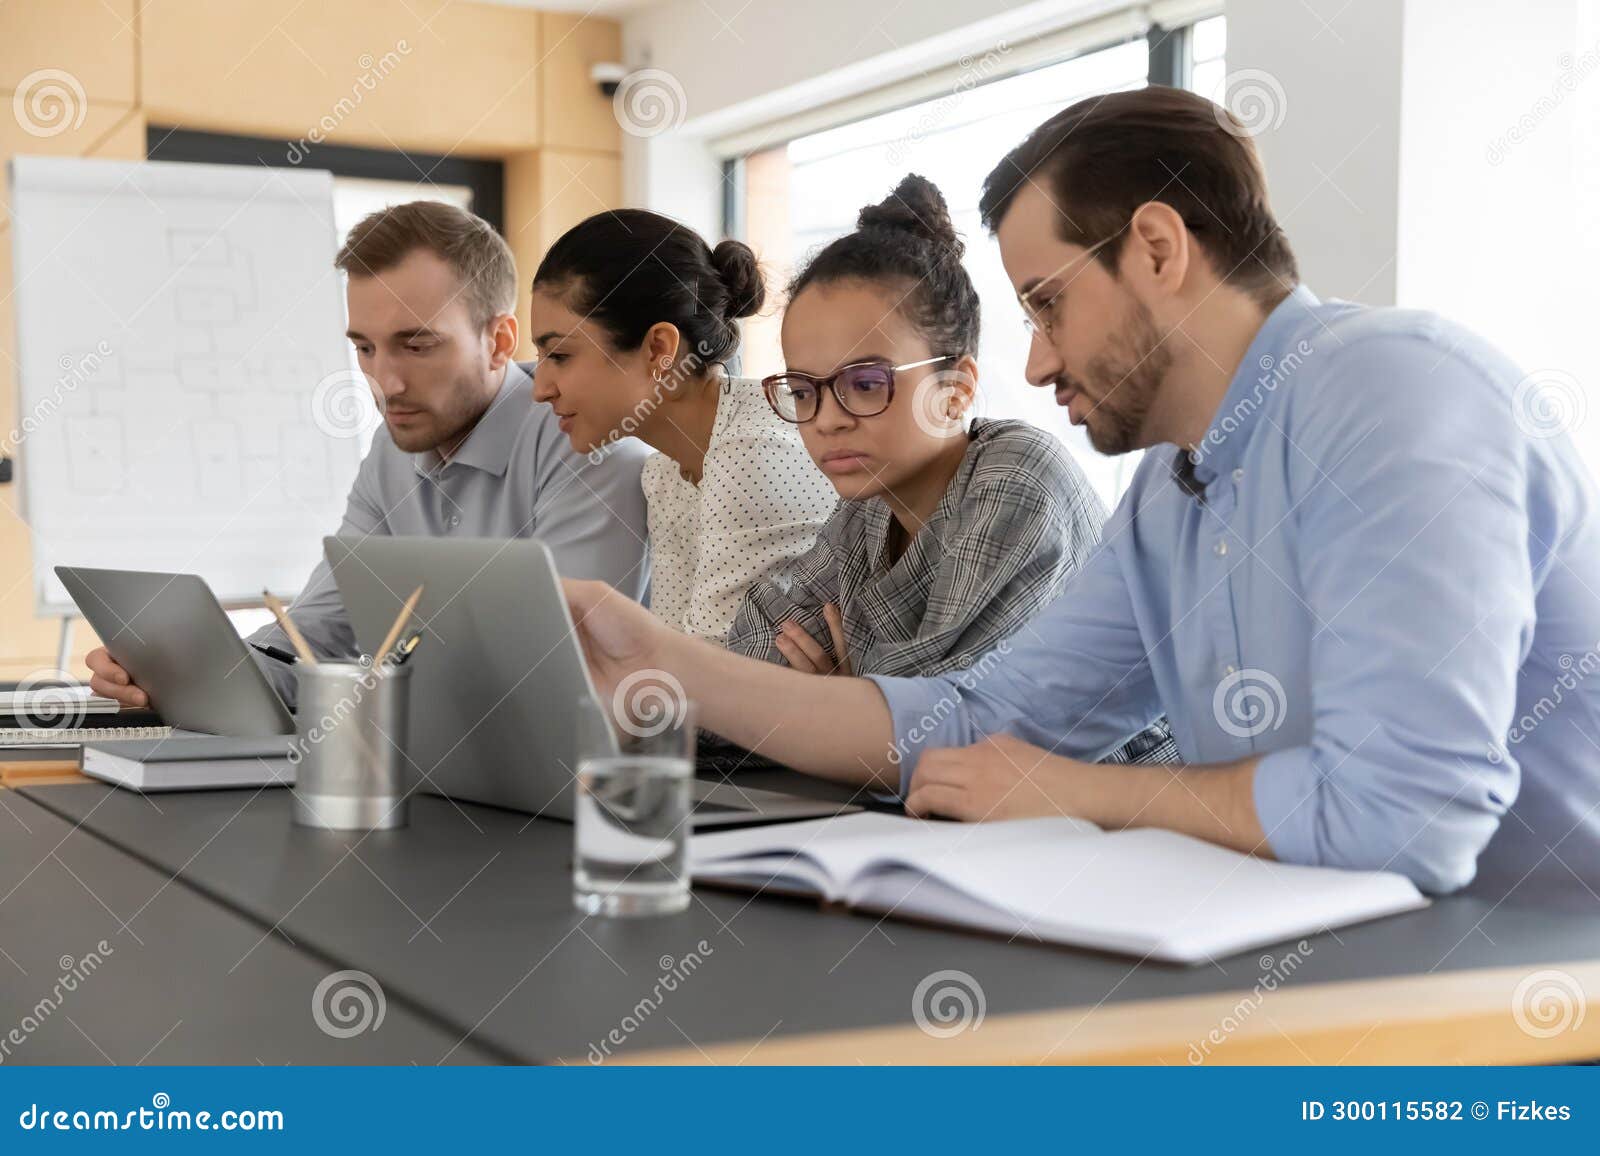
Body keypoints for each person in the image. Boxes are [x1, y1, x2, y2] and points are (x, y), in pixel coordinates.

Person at [559, 86, 1600, 904]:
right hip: (1315, 963)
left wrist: (1081, 792)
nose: (1039, 359)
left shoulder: (1394, 390)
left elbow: (1408, 820)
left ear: (1157, 249)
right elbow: (982, 719)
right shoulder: (1171, 492)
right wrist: (662, 663)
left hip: (1529, 998)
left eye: (1049, 304)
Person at [87, 200, 649, 708]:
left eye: (417, 345)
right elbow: (317, 632)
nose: (385, 383)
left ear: (499, 341)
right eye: (364, 347)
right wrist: (181, 673)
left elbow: (562, 677)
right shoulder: (394, 448)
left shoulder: (588, 442)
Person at [723, 173, 1176, 761]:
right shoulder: (865, 512)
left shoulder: (1018, 479)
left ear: (956, 390)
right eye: (804, 391)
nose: (827, 420)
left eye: (866, 383)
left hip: (1116, 804)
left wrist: (844, 700)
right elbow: (753, 643)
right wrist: (848, 708)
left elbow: (948, 729)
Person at [530, 210, 839, 643]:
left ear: (659, 348)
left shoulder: (750, 455)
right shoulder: (666, 475)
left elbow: (704, 672)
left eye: (560, 356)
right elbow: (675, 659)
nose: (540, 389)